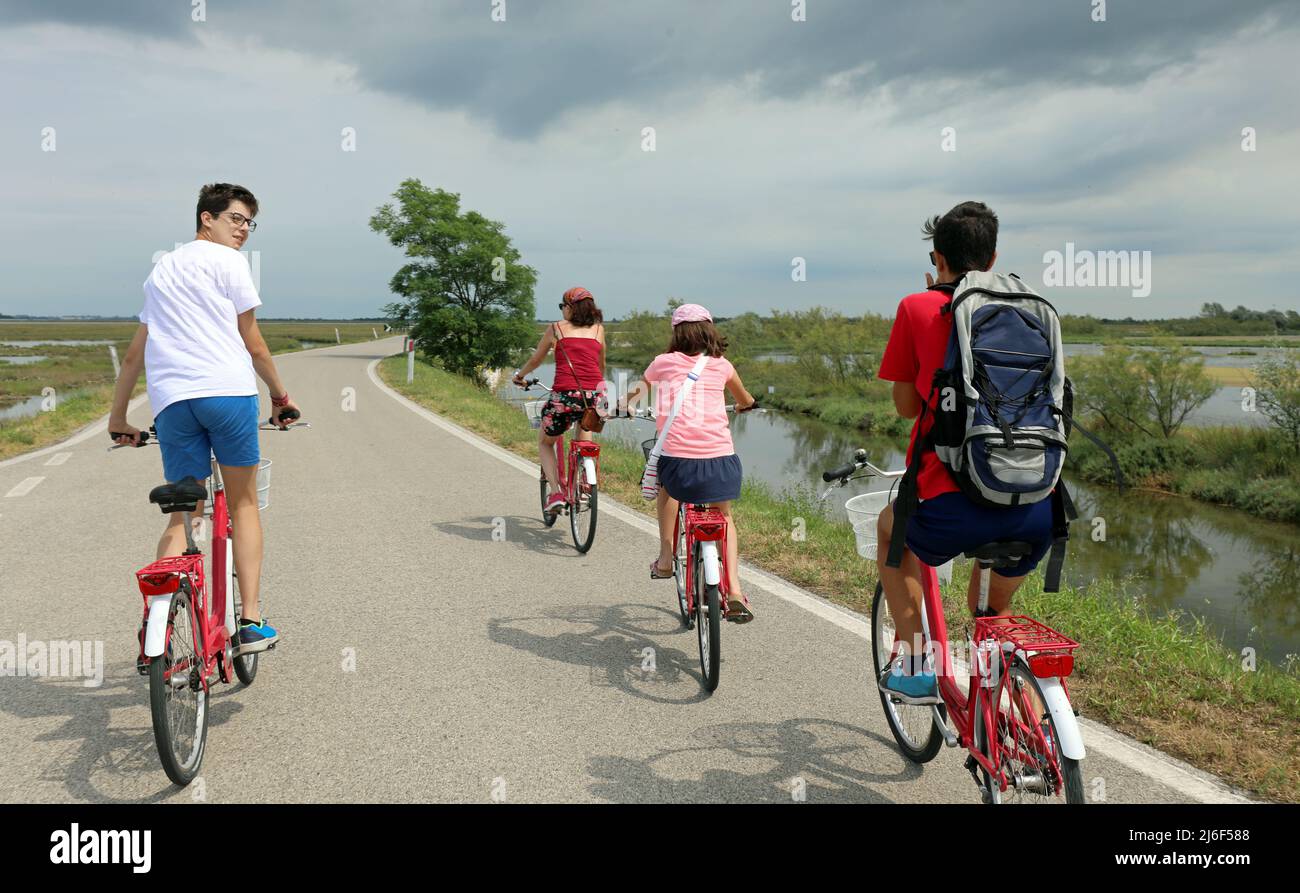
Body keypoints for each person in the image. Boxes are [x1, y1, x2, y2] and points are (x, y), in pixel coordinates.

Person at [108, 183, 301, 655]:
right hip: (228, 396)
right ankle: (251, 622)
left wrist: (119, 419)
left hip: (173, 403)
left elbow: (135, 354)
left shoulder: (162, 270)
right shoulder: (229, 263)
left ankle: (156, 621)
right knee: (244, 505)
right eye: (235, 218)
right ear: (206, 219)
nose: (243, 230)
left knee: (184, 511)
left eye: (249, 222)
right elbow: (252, 341)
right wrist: (280, 397)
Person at [875, 201, 1054, 704]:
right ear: (993, 258)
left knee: (890, 530)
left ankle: (914, 665)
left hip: (951, 503)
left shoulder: (917, 306)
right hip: (1037, 504)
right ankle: (1003, 711)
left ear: (938, 258)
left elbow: (908, 409)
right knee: (991, 614)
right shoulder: (1029, 310)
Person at [623, 304, 757, 621]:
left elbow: (635, 394)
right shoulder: (722, 365)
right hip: (719, 460)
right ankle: (735, 590)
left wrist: (622, 405)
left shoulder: (662, 363)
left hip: (676, 462)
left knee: (668, 491)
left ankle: (666, 558)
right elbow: (745, 399)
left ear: (677, 333)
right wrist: (746, 406)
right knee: (724, 516)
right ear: (710, 331)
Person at [512, 287, 608, 514]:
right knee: (584, 431)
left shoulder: (556, 329)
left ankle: (555, 493)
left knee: (546, 442)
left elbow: (536, 359)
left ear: (570, 307)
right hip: (593, 396)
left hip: (564, 396)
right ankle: (585, 484)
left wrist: (520, 376)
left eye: (562, 306)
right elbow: (600, 366)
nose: (562, 310)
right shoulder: (598, 330)